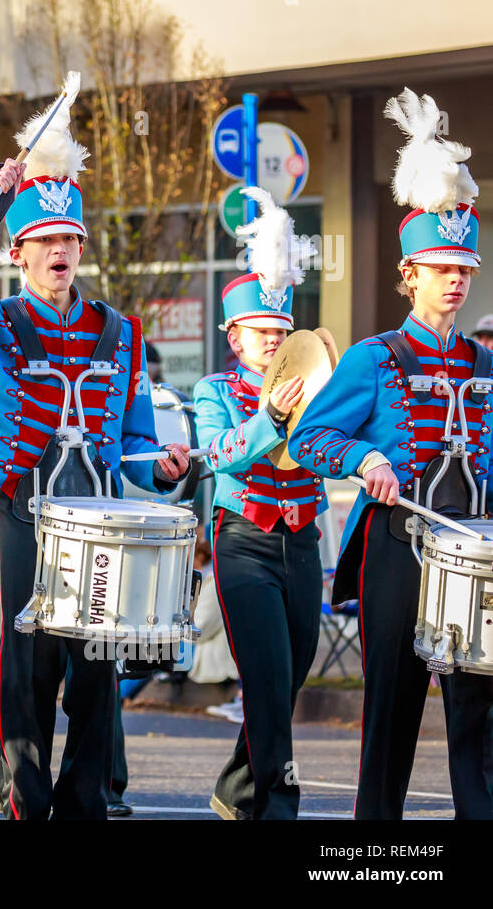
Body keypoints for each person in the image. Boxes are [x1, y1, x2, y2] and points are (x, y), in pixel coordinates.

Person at [0, 72, 189, 820]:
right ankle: (24, 799)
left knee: (98, 669)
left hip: (98, 517)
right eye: (42, 241)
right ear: (18, 252)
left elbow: (133, 432)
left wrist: (160, 466)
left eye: (68, 238)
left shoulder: (119, 331)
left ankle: (85, 804)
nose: (58, 251)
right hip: (19, 511)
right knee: (27, 669)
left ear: (82, 245)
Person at [292, 88, 493, 820]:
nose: (457, 278)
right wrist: (363, 462)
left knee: (477, 709)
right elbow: (310, 437)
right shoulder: (374, 358)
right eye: (443, 267)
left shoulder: (486, 363)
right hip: (400, 548)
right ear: (411, 276)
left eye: (465, 267)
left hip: (475, 552)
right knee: (393, 707)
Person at [193, 187, 326, 820]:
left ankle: (236, 785)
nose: (272, 340)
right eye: (260, 331)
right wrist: (272, 418)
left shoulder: (316, 386)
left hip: (302, 538)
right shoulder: (213, 388)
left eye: (281, 330)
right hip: (243, 538)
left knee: (291, 676)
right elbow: (219, 452)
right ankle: (276, 802)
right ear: (234, 335)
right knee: (267, 681)